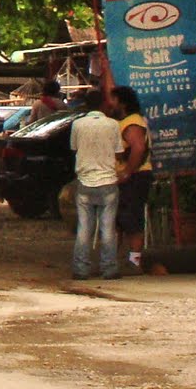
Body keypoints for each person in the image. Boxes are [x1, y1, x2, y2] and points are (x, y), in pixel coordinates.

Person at [69, 88, 125, 280]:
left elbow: (74, 148)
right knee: (107, 228)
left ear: (86, 105)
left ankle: (81, 269)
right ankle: (109, 268)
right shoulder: (113, 124)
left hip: (85, 181)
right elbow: (119, 152)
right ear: (103, 104)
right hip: (108, 180)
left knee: (84, 228)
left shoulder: (77, 124)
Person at [110, 84, 154, 273]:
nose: (110, 103)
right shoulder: (125, 122)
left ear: (122, 102)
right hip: (127, 176)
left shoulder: (132, 122)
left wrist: (127, 171)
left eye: (113, 99)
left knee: (131, 218)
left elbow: (138, 148)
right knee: (119, 219)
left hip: (135, 177)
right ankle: (112, 261)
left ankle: (134, 261)